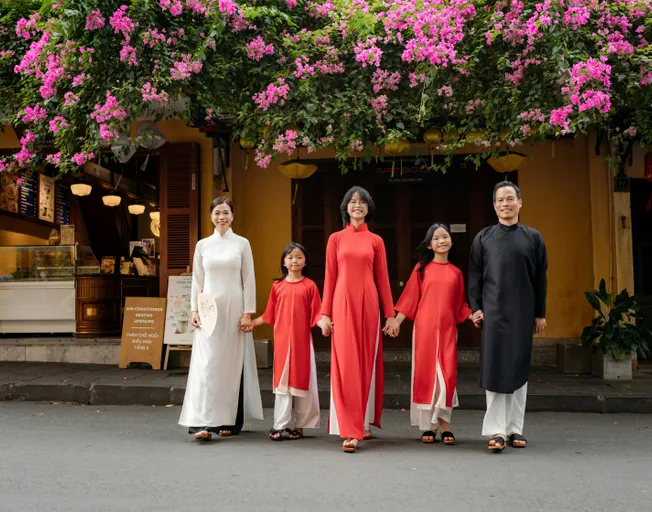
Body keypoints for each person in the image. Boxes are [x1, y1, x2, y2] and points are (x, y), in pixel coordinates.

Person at [468, 181, 547, 452]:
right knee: (494, 368)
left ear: (520, 202)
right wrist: (475, 308)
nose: (505, 203)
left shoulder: (533, 237)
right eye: (500, 199)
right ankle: (496, 430)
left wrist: (540, 314)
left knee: (518, 370)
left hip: (524, 313)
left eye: (510, 198)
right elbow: (475, 276)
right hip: (493, 313)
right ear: (494, 205)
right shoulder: (483, 238)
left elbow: (541, 279)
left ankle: (515, 429)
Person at [320, 186, 400, 453]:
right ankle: (350, 429)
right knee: (345, 365)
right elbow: (330, 278)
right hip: (342, 304)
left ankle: (361, 421)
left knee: (365, 363)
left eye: (362, 202)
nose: (357, 205)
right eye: (352, 201)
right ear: (346, 207)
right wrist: (324, 314)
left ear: (368, 208)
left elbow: (383, 280)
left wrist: (390, 315)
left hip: (368, 304)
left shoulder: (375, 241)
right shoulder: (335, 239)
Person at [178, 197, 264, 441]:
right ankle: (201, 421)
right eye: (217, 213)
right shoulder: (203, 245)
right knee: (206, 364)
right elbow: (197, 279)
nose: (221, 217)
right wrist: (194, 309)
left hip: (235, 309)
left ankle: (229, 421)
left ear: (233, 216)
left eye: (226, 212)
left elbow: (249, 279)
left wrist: (248, 312)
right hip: (208, 309)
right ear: (211, 216)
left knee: (231, 364)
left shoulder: (242, 244)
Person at [394, 223, 477, 445]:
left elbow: (460, 305)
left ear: (451, 241)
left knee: (447, 377)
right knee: (426, 376)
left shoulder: (456, 273)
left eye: (445, 237)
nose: (442, 241)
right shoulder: (421, 269)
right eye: (437, 238)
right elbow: (410, 299)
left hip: (448, 330)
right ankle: (429, 427)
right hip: (424, 331)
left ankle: (444, 426)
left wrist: (472, 316)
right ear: (429, 245)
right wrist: (397, 322)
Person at [246, 243, 326, 441]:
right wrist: (252, 323)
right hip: (282, 343)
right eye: (290, 258)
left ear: (305, 262)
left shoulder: (310, 286)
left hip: (301, 342)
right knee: (282, 384)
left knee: (302, 382)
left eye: (299, 257)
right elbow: (269, 313)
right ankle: (280, 425)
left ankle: (301, 425)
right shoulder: (277, 286)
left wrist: (324, 324)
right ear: (284, 262)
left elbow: (317, 313)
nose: (294, 261)